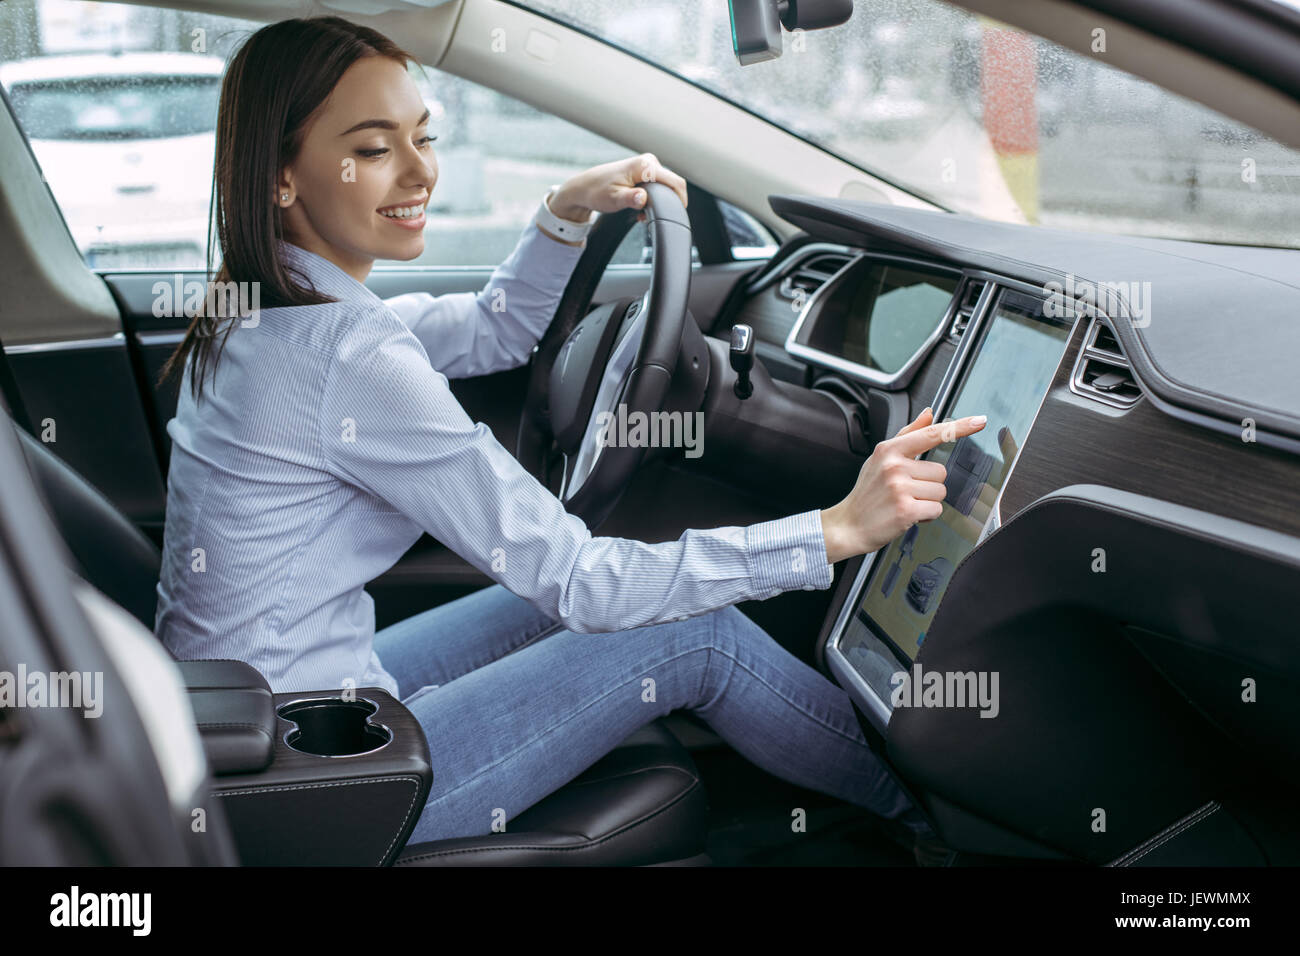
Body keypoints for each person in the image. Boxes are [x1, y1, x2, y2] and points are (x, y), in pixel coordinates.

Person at [153, 15, 985, 859]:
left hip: (256, 729)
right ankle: (933, 829)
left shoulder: (264, 312)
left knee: (538, 600)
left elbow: (496, 331)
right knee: (690, 634)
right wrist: (835, 530)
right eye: (373, 150)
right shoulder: (347, 354)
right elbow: (584, 583)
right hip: (319, 785)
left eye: (424, 136)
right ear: (281, 179)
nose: (419, 172)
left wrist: (565, 211)